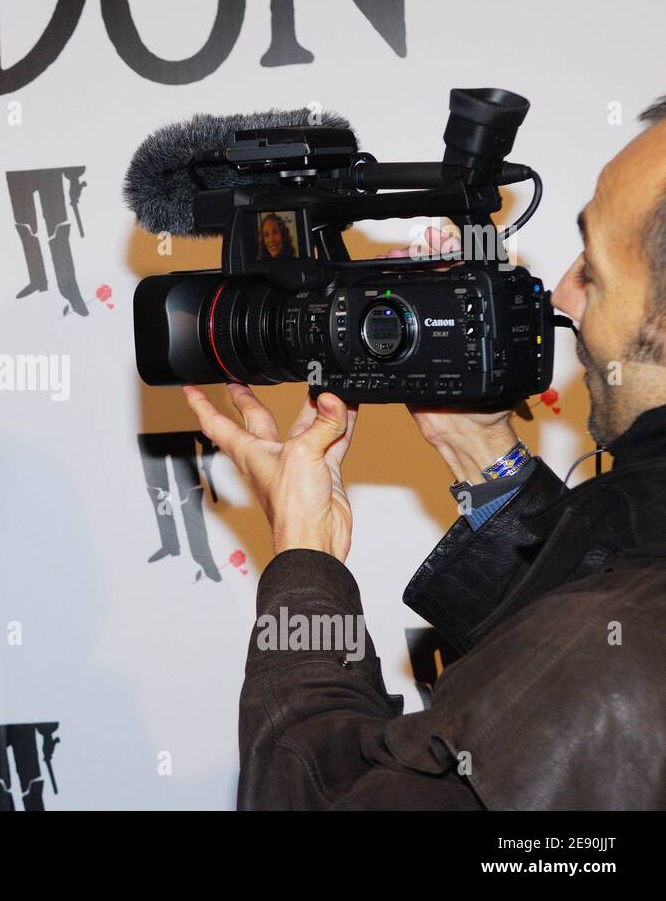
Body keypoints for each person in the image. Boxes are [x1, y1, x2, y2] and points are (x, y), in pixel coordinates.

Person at [183, 97, 666, 809]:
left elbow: (314, 797)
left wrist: (303, 560)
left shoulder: (598, 668)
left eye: (592, 270)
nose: (563, 292)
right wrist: (486, 459)